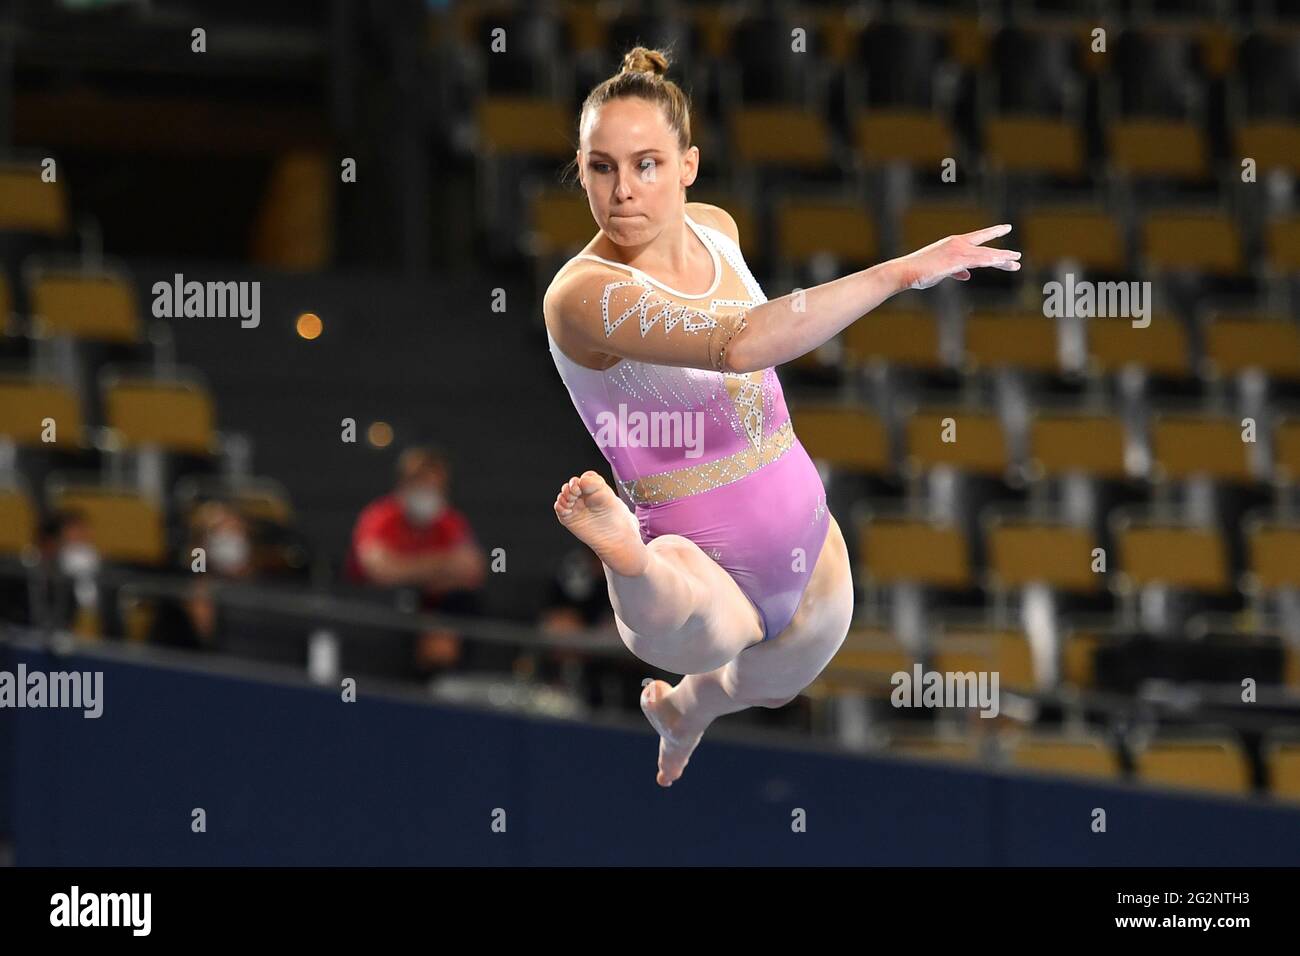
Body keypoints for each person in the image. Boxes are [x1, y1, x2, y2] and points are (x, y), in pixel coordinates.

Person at [544, 46, 1021, 786]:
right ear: (580, 167)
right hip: (694, 543)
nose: (622, 192)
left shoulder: (717, 229)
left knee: (772, 681)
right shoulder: (582, 296)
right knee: (694, 626)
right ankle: (626, 560)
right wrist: (899, 271)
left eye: (647, 165)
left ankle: (685, 715)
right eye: (601, 167)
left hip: (805, 527)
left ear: (688, 165)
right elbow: (738, 344)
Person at [346, 445, 487, 675]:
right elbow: (379, 570)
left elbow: (472, 569)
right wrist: (441, 566)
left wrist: (409, 569)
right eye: (422, 485)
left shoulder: (449, 522)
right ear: (404, 484)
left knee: (461, 605)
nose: (429, 493)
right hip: (378, 622)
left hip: (433, 617)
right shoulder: (380, 517)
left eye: (436, 487)